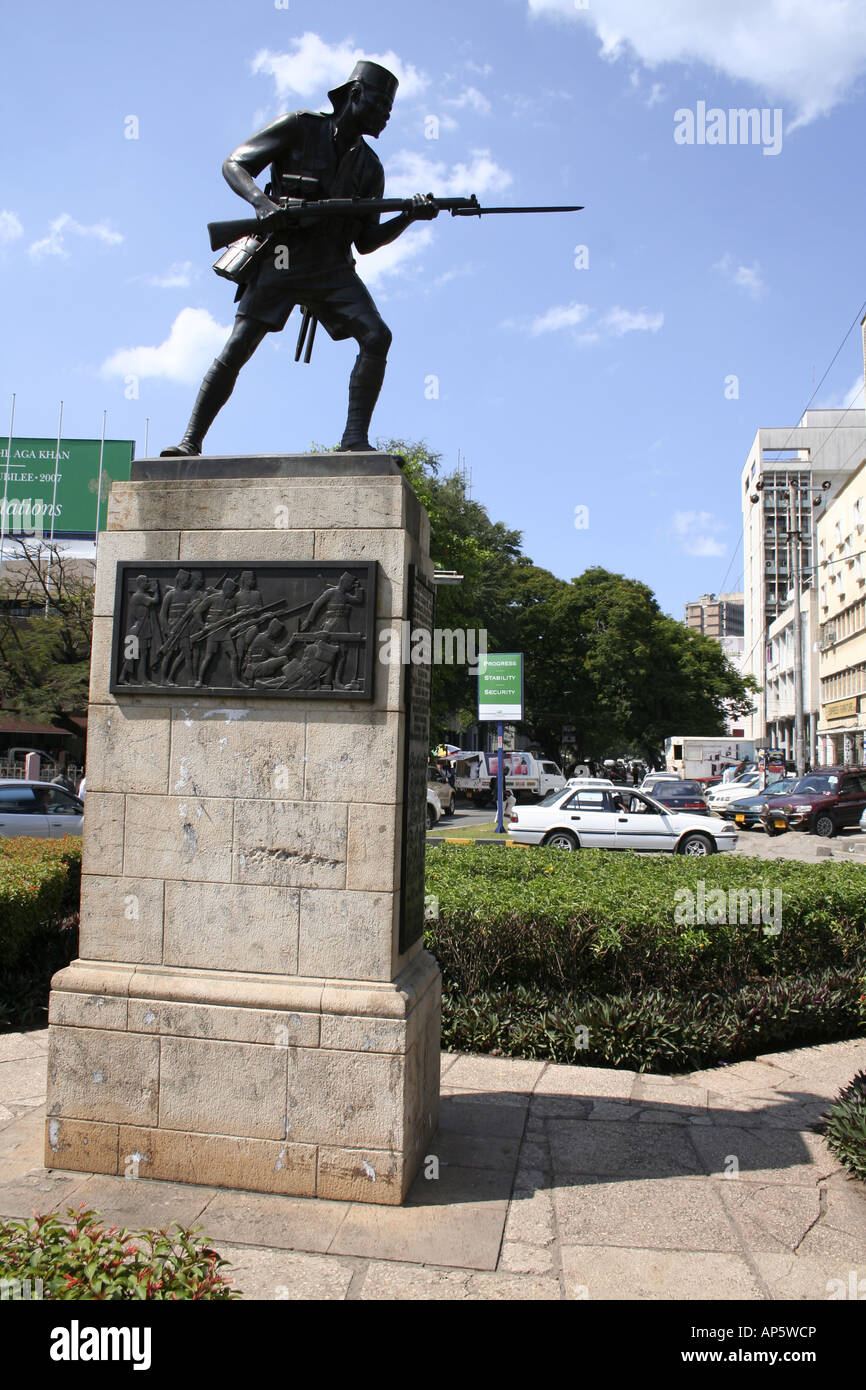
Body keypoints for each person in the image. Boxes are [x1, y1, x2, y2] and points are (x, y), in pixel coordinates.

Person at [160, 61, 438, 459]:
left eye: (389, 112)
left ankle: (354, 441)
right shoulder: (299, 126)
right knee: (239, 344)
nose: (385, 118)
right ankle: (190, 441)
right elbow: (234, 163)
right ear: (355, 94)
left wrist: (409, 216)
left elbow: (366, 241)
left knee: (377, 336)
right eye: (380, 106)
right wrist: (261, 203)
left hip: (332, 266)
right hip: (283, 256)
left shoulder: (370, 166)